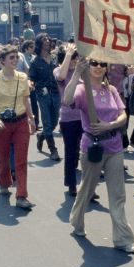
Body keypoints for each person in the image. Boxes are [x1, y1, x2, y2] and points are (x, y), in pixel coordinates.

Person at [63, 57, 134, 254]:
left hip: (114, 145)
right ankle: (77, 220)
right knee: (87, 190)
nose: (98, 67)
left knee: (118, 194)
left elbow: (123, 114)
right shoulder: (82, 89)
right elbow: (67, 100)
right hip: (92, 148)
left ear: (107, 68)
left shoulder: (111, 89)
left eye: (102, 64)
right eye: (94, 63)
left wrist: (111, 125)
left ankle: (123, 239)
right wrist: (77, 73)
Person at [0, 46, 36, 210]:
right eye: (11, 58)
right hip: (2, 123)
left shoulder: (22, 77)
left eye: (16, 57)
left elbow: (26, 100)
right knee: (3, 157)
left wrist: (32, 118)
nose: (15, 60)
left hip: (21, 121)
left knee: (21, 160)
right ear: (2, 61)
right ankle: (4, 182)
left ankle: (21, 196)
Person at [54, 44, 83, 196]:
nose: (74, 60)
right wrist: (68, 54)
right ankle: (71, 184)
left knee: (85, 152)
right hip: (68, 118)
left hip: (84, 117)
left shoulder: (82, 70)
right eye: (72, 58)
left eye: (75, 57)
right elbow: (61, 77)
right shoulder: (59, 70)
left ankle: (87, 187)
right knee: (71, 152)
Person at [29, 33, 61, 161]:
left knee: (54, 123)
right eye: (44, 39)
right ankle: (53, 150)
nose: (47, 41)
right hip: (42, 94)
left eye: (48, 39)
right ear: (39, 43)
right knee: (47, 123)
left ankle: (41, 136)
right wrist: (30, 83)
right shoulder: (35, 61)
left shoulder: (55, 58)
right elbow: (31, 77)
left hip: (56, 93)